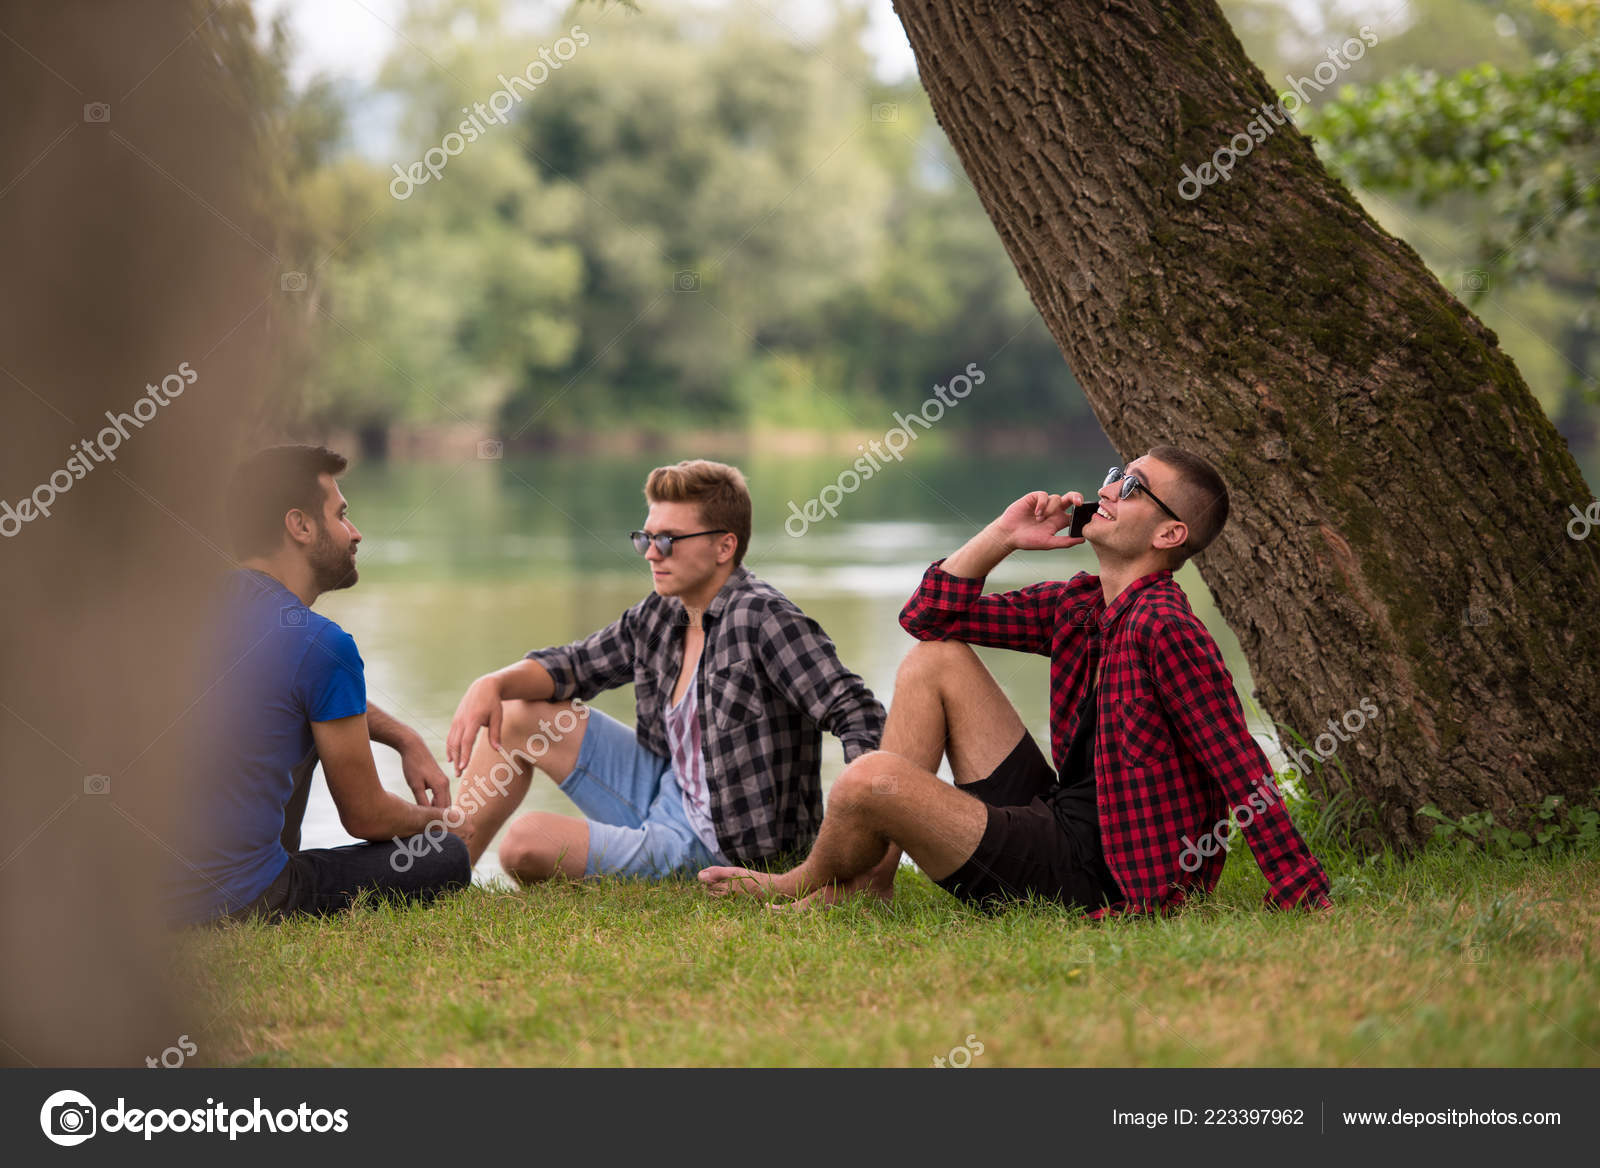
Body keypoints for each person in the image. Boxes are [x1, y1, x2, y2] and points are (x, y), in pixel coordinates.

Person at [700, 445, 1332, 916]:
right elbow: (927, 617)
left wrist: (1299, 887)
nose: (1108, 490)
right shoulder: (1084, 605)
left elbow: (1239, 762)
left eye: (1133, 487)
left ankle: (804, 879)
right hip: (1063, 817)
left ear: (1170, 534)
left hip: (1102, 874)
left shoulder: (1165, 628)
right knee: (934, 658)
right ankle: (871, 883)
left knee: (866, 781)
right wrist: (1003, 535)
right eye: (1115, 475)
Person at [444, 459, 887, 885]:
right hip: (664, 789)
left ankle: (654, 868)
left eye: (669, 540)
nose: (652, 554)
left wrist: (848, 844)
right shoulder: (662, 612)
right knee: (518, 713)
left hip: (723, 843)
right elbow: (576, 666)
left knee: (524, 845)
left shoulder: (765, 620)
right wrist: (490, 684)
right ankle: (439, 877)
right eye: (645, 538)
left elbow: (859, 714)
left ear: (724, 546)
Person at [168, 445, 470, 925]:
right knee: (446, 856)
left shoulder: (183, 609)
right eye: (343, 515)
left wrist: (403, 736)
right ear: (301, 526)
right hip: (239, 902)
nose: (356, 534)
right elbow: (366, 816)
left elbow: (294, 689)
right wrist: (442, 823)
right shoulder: (323, 645)